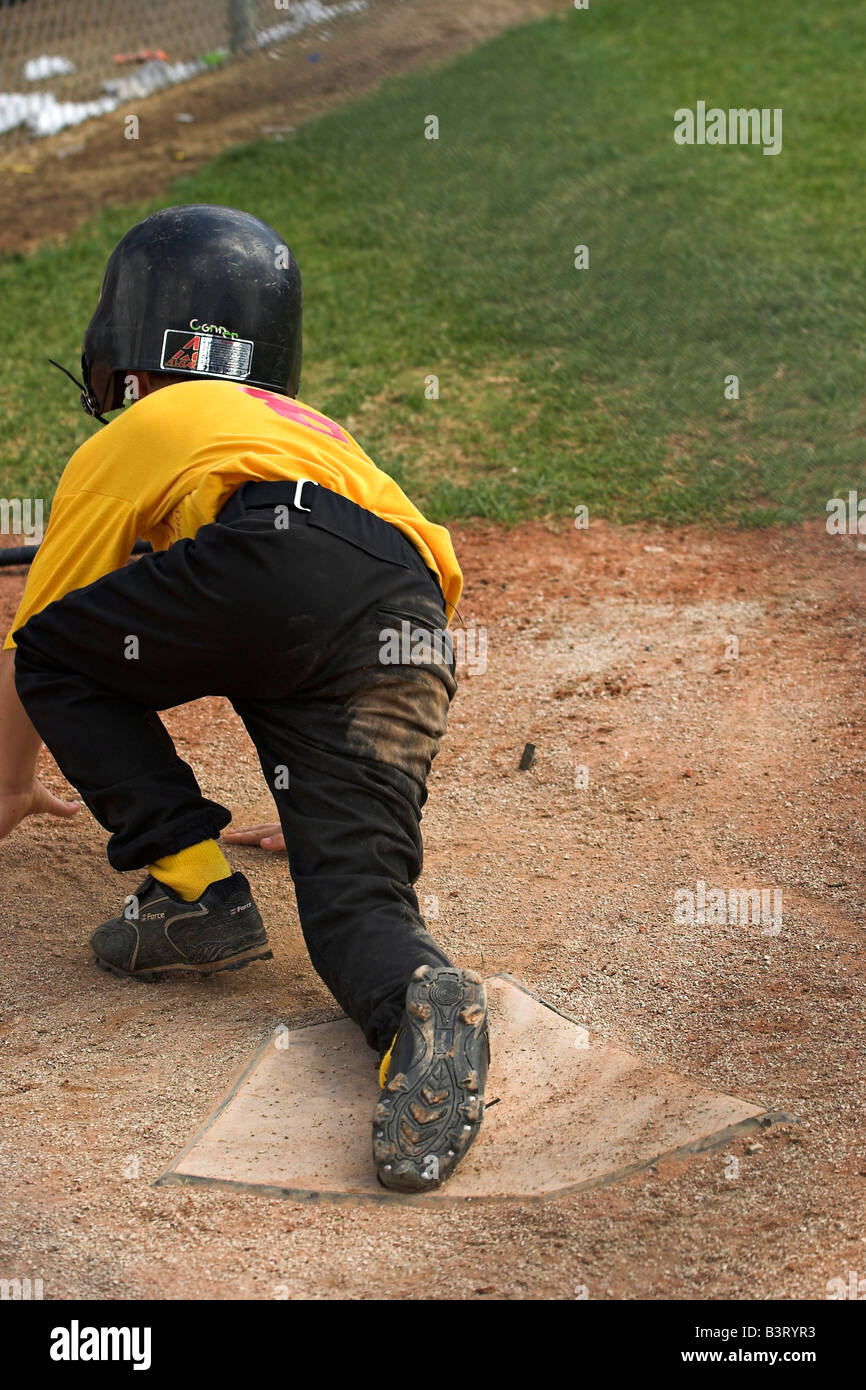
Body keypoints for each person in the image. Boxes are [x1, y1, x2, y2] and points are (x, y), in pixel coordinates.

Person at [0, 204, 488, 1193]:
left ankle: (192, 884)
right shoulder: (312, 434)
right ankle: (417, 1006)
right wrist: (311, 787)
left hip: (273, 559)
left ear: (130, 365)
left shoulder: (141, 428)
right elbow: (365, 596)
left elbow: (38, 638)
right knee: (356, 902)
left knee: (57, 650)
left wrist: (9, 782)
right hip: (409, 617)